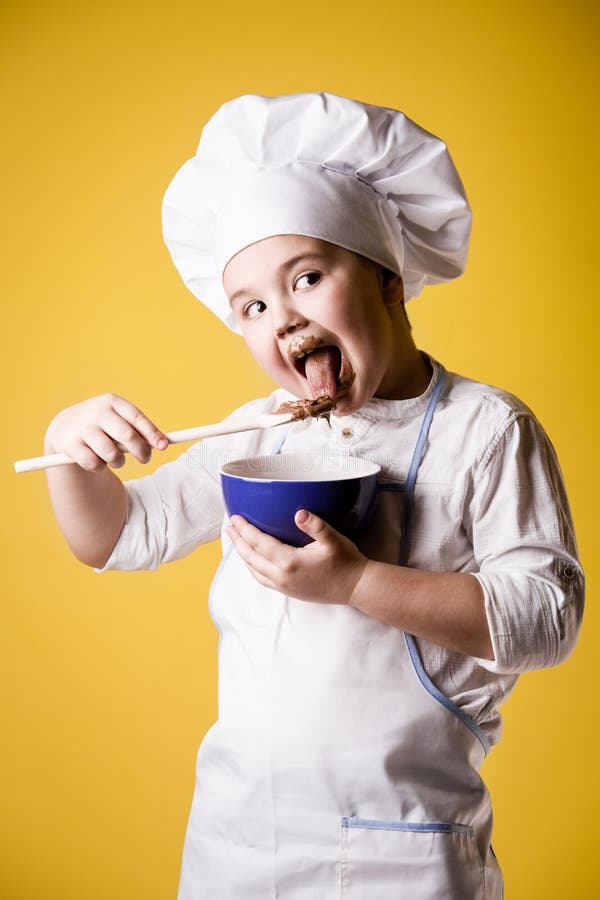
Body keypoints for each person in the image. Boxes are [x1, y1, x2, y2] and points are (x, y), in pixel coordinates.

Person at [43, 93, 584, 899]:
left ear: (390, 281)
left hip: (402, 843)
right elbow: (119, 536)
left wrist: (357, 582)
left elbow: (545, 617)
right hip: (236, 838)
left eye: (307, 277)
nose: (283, 317)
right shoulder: (255, 433)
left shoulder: (488, 430)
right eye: (253, 306)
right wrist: (69, 452)